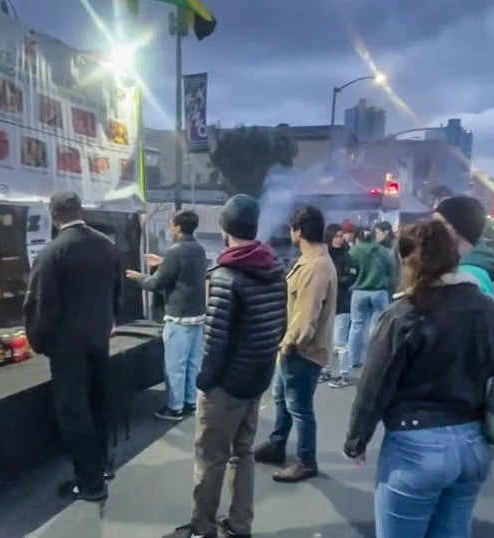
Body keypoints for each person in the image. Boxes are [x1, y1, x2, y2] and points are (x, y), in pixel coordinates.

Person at [344, 219, 494, 538]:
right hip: (474, 445)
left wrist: (357, 439)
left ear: (407, 261)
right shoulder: (491, 308)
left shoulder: (405, 314)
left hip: (416, 447)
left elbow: (376, 383)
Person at [165, 195, 287, 538]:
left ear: (224, 230)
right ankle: (239, 524)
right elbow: (279, 326)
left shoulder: (226, 275)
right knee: (243, 453)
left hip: (227, 387)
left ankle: (203, 528)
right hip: (257, 378)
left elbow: (215, 340)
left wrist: (204, 381)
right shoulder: (275, 268)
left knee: (211, 458)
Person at [23, 192, 121, 502]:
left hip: (68, 347)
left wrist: (38, 341)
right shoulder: (107, 245)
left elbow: (40, 305)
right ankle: (103, 465)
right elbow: (116, 292)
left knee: (74, 411)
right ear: (81, 210)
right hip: (99, 338)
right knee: (97, 403)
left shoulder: (52, 253)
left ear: (53, 216)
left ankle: (90, 484)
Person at [254, 206, 336, 483]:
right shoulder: (313, 261)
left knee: (299, 407)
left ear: (299, 231)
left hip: (302, 350)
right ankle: (277, 444)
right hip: (295, 348)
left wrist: (289, 344)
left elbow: (305, 316)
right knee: (282, 397)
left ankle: (306, 460)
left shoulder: (315, 267)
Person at [126, 209, 208, 421]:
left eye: (172, 225)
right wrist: (163, 262)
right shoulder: (198, 249)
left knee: (175, 365)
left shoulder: (175, 251)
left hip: (179, 318)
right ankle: (190, 403)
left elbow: (157, 283)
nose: (169, 228)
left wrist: (139, 277)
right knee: (192, 363)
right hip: (198, 317)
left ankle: (174, 408)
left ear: (178, 227)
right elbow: (185, 271)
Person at [336, 227, 396, 386]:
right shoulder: (383, 251)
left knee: (356, 326)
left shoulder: (354, 251)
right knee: (377, 327)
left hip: (359, 292)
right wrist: (389, 286)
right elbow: (392, 270)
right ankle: (372, 360)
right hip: (379, 292)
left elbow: (348, 271)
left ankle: (354, 359)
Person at [320, 223, 355, 383]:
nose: (340, 239)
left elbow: (351, 277)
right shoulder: (323, 255)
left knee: (340, 341)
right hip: (325, 302)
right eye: (337, 236)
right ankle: (325, 370)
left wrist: (335, 280)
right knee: (325, 339)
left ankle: (344, 374)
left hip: (341, 302)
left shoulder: (347, 255)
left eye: (341, 236)